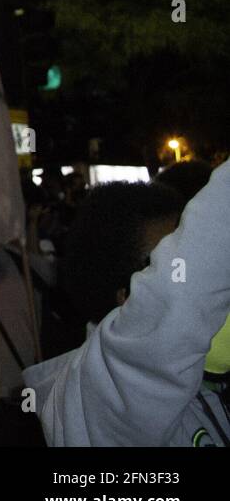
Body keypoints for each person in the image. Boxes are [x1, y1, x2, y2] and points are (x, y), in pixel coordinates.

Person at [23, 165, 230, 446]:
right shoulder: (98, 396)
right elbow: (181, 294)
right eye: (161, 264)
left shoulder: (206, 365)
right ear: (125, 295)